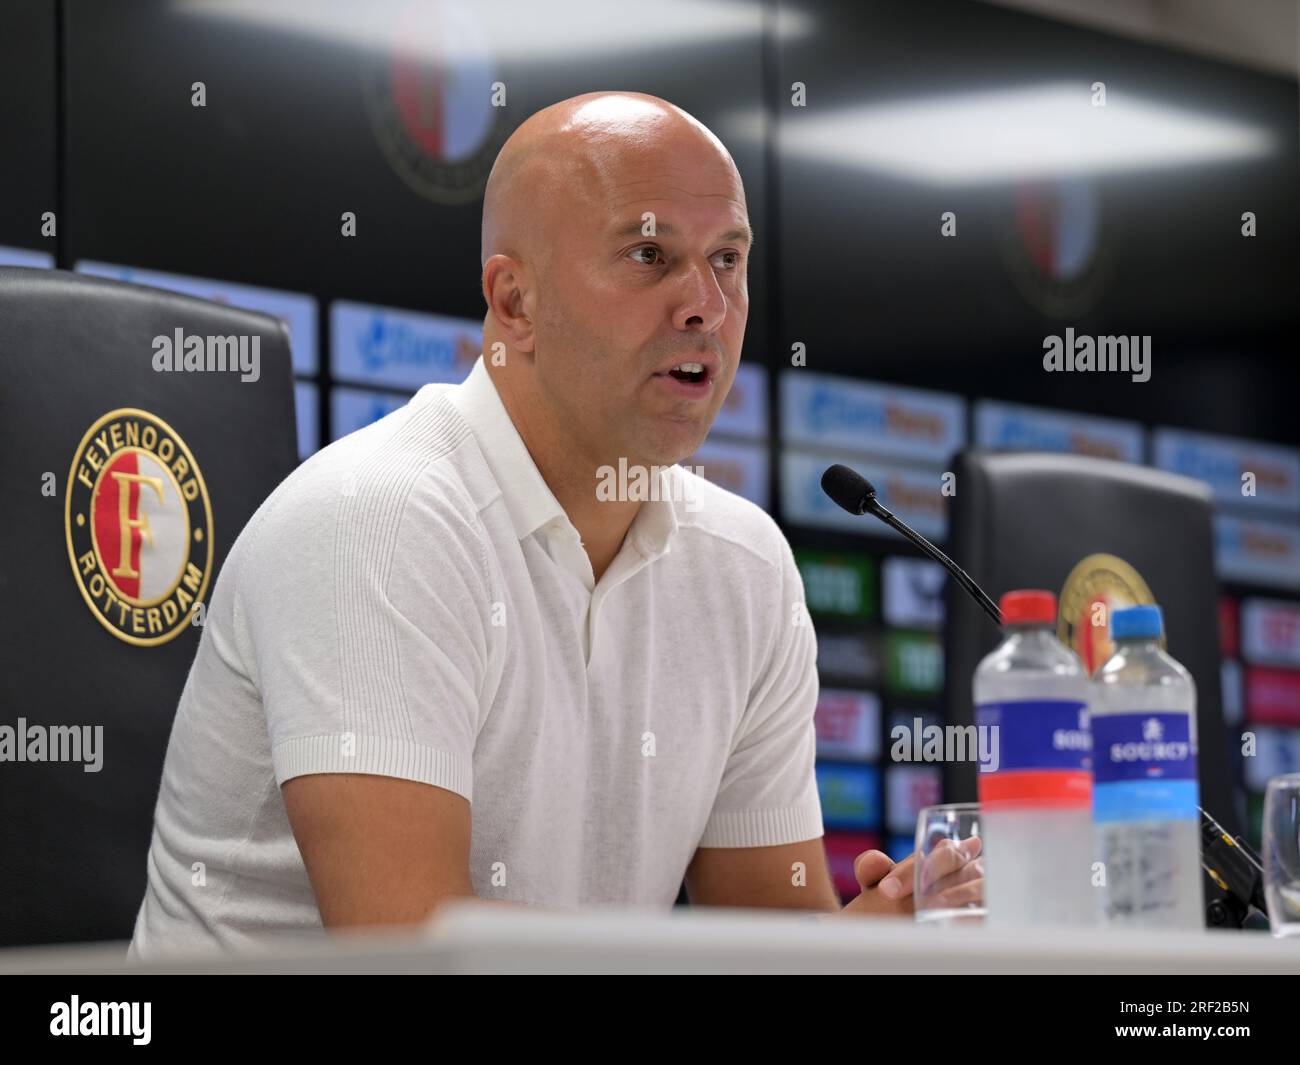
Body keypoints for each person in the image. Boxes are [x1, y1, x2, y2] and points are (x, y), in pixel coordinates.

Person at [128, 91, 980, 957]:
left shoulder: (745, 565)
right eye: (650, 254)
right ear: (515, 301)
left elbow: (771, 932)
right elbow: (418, 952)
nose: (707, 307)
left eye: (728, 259)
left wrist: (877, 938)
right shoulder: (381, 521)